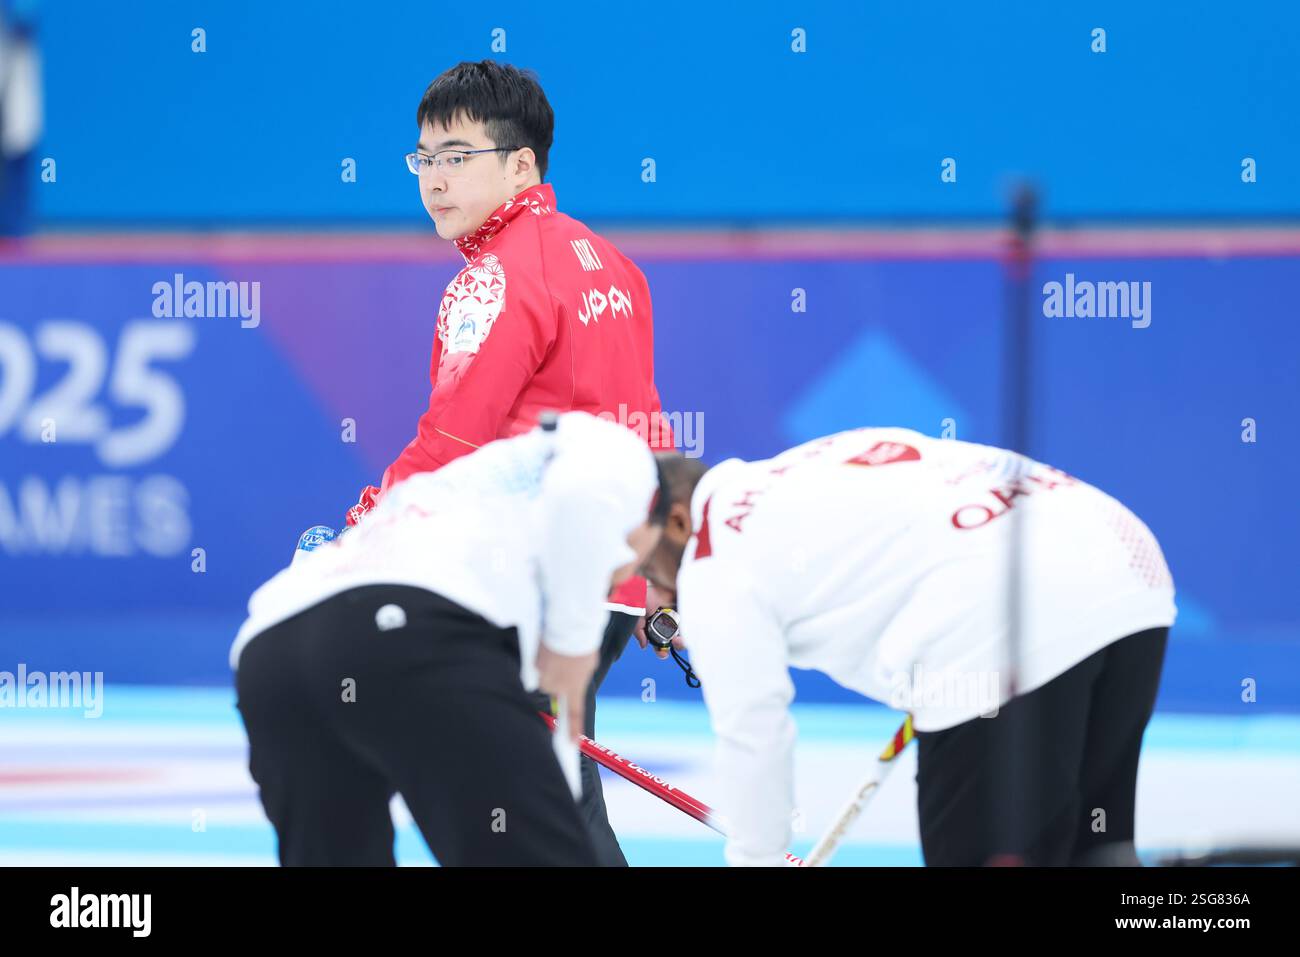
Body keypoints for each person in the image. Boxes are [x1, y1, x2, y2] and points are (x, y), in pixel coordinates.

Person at [343, 60, 673, 865]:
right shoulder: (612, 263)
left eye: (457, 156)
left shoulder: (493, 278)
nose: (433, 179)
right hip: (608, 574)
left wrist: (362, 532)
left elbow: (452, 441)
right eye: (424, 157)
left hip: (537, 576)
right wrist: (663, 570)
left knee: (520, 812)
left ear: (521, 164)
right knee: (545, 803)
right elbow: (646, 426)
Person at [637, 427, 1176, 866]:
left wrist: (756, 860)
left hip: (1005, 622)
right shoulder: (804, 467)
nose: (652, 591)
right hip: (1126, 565)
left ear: (679, 522)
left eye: (645, 568)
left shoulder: (713, 561)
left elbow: (753, 737)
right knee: (1096, 850)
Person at [233, 412, 665, 866]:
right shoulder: (618, 464)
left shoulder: (460, 489)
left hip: (271, 645)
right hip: (405, 629)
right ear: (666, 520)